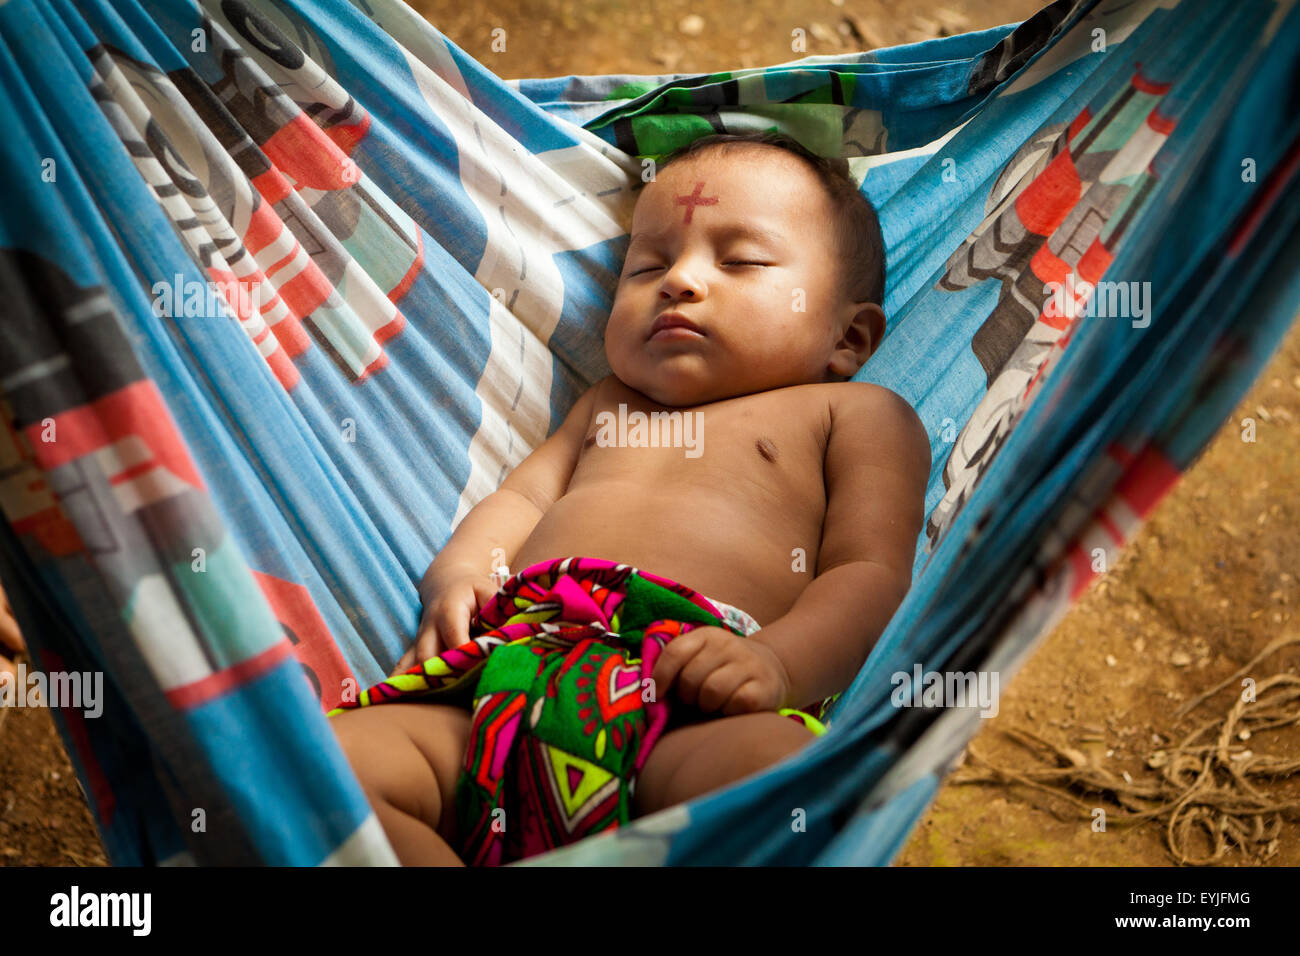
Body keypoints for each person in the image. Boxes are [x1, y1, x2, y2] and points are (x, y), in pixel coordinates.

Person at [329, 131, 931, 865]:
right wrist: (459, 575)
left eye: (740, 260)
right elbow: (520, 502)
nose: (678, 280)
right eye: (647, 266)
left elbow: (868, 575)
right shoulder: (608, 404)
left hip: (694, 703)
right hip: (511, 679)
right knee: (326, 771)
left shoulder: (856, 415)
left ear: (851, 336)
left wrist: (777, 665)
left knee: (789, 791)